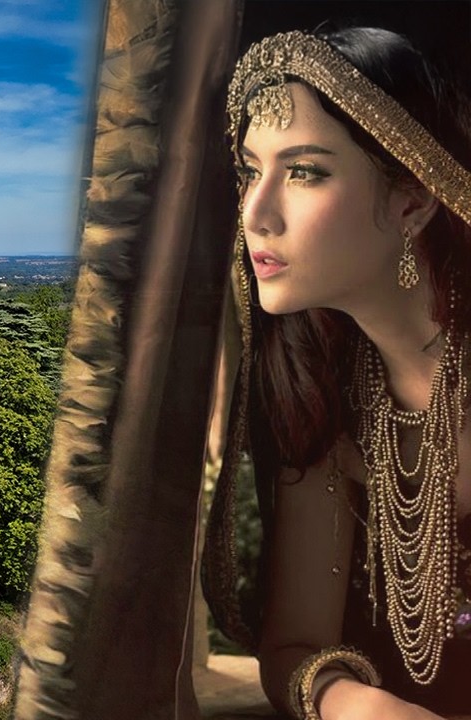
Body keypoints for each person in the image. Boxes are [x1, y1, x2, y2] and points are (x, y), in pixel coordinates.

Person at [203, 26, 471, 720]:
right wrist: (358, 705)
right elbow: (295, 644)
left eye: (304, 172)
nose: (256, 214)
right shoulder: (328, 390)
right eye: (249, 172)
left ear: (413, 201)